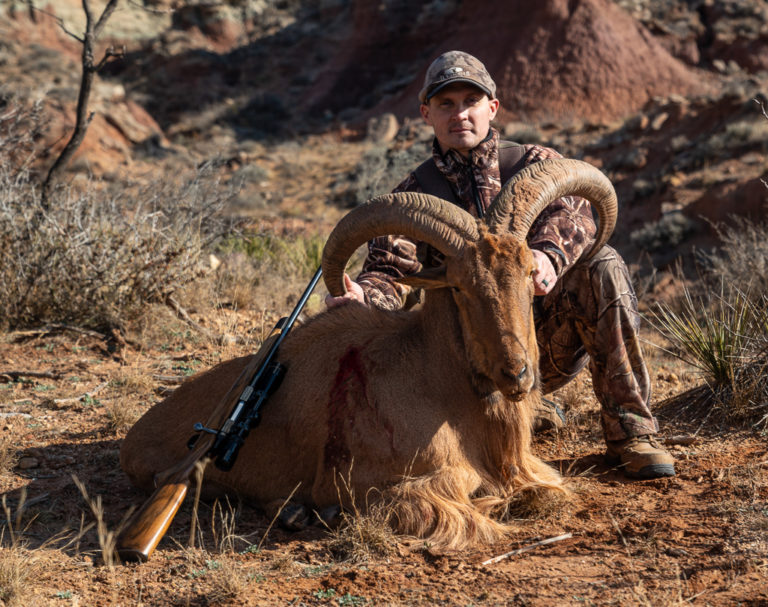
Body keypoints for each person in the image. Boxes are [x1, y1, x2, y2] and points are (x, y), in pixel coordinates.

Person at [325, 50, 675, 480]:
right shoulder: (415, 194)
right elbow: (389, 270)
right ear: (426, 114)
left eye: (470, 102)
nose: (460, 115)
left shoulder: (533, 165)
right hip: (467, 358)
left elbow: (579, 214)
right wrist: (364, 296)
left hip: (542, 344)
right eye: (445, 104)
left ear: (492, 107)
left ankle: (631, 430)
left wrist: (548, 256)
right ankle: (521, 410)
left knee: (603, 264)